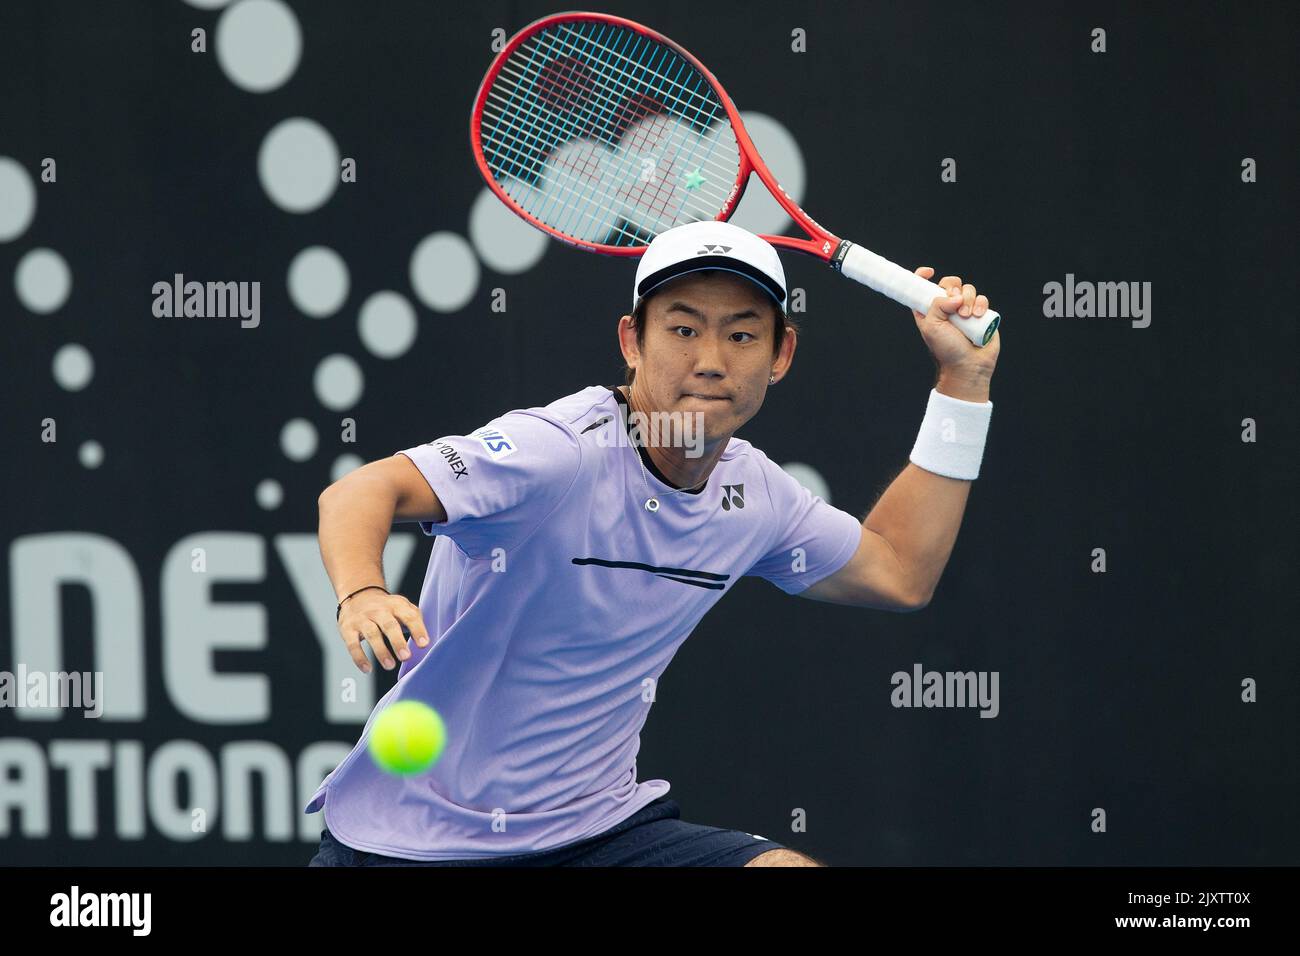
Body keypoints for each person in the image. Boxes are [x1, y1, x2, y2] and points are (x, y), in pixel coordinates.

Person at [306, 220, 1000, 866]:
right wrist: (362, 591)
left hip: (593, 830)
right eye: (682, 329)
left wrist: (963, 383)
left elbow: (900, 571)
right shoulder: (554, 454)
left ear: (781, 353)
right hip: (410, 839)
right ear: (632, 342)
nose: (709, 361)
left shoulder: (751, 497)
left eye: (741, 335)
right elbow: (361, 491)